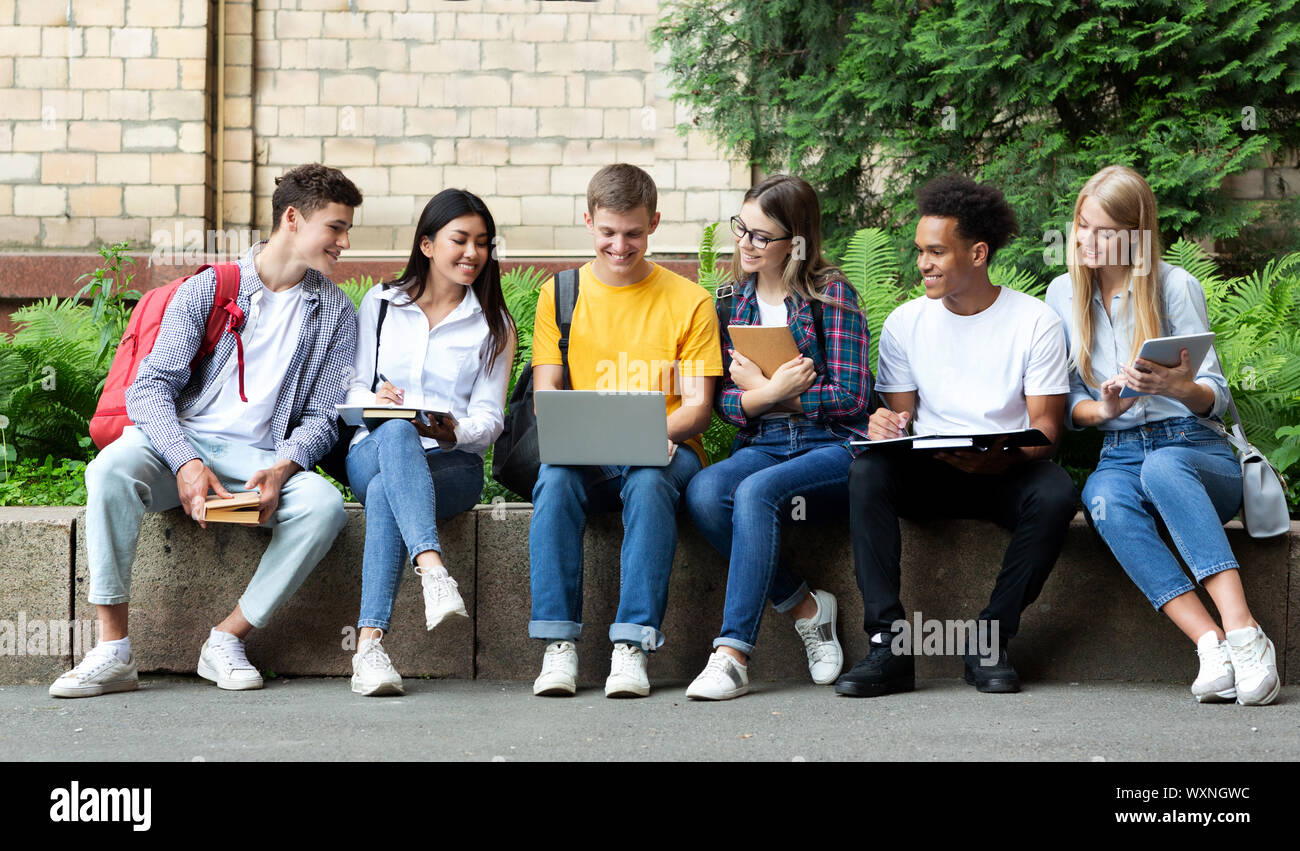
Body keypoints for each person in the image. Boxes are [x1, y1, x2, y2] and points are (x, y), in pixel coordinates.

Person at [50, 163, 362, 698]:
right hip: (180, 439)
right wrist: (185, 461)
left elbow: (323, 416)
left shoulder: (335, 311)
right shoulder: (212, 289)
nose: (344, 242)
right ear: (292, 218)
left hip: (258, 458)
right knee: (108, 471)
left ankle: (226, 639)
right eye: (335, 227)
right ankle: (113, 649)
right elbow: (148, 390)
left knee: (323, 508)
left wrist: (284, 466)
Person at [1044, 165, 1279, 705]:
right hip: (1120, 451)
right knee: (1100, 497)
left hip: (1195, 449)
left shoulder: (1175, 286)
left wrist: (1177, 385)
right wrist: (1100, 410)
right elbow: (1067, 404)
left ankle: (1246, 633)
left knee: (1164, 466)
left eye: (1104, 231)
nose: (1087, 240)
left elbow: (1217, 397)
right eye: (1082, 225)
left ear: (1136, 236)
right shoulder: (1062, 294)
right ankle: (1209, 642)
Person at [835, 175, 1077, 698]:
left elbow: (1048, 432)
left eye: (937, 251)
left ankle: (990, 640)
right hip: (932, 470)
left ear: (978, 252)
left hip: (1005, 470)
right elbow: (900, 420)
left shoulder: (1035, 322)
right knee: (868, 472)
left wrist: (1000, 457)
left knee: (1056, 490)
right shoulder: (906, 322)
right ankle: (888, 647)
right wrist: (884, 425)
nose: (923, 262)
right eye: (920, 250)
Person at [529, 163, 722, 698]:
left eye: (633, 233)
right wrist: (593, 437)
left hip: (668, 445)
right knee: (556, 480)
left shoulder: (689, 302)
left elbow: (700, 407)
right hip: (589, 451)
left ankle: (631, 646)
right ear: (588, 221)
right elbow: (549, 398)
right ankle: (557, 645)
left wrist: (652, 433)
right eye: (608, 232)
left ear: (654, 223)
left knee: (649, 480)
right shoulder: (561, 294)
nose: (620, 245)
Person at [682, 175, 871, 700]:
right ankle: (807, 607)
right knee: (703, 492)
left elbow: (853, 397)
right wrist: (765, 398)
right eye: (741, 228)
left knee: (755, 492)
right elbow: (723, 403)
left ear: (798, 242)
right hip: (764, 444)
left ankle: (733, 655)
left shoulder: (831, 295)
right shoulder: (730, 303)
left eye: (762, 236)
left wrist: (769, 390)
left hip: (831, 445)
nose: (745, 243)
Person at [344, 189, 514, 697]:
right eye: (459, 240)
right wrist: (376, 396)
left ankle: (369, 649)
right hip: (372, 449)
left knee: (383, 495)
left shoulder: (493, 325)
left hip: (450, 465)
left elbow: (491, 419)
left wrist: (453, 429)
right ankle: (433, 569)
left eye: (482, 243)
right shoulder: (380, 304)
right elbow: (348, 390)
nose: (472, 253)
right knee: (395, 427)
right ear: (426, 244)